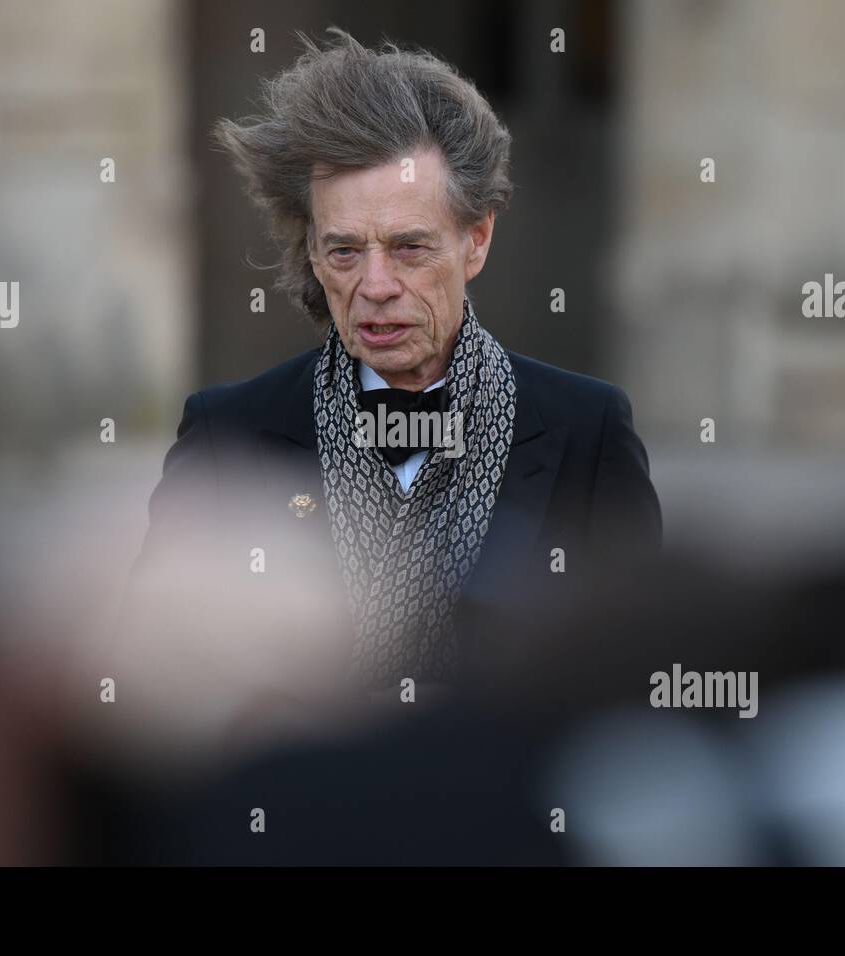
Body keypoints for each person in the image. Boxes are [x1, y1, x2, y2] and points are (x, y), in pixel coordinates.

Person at [131, 29, 660, 708]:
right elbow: (150, 674)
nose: (376, 285)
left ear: (476, 241)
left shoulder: (586, 429)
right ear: (314, 256)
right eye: (346, 252)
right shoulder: (228, 433)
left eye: (409, 248)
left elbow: (643, 670)